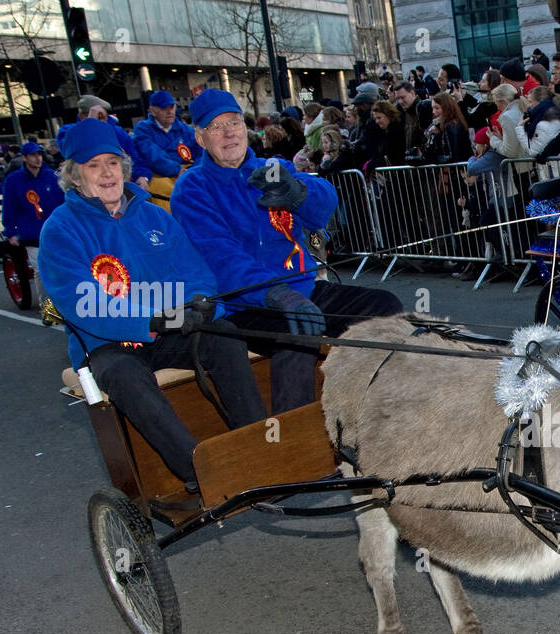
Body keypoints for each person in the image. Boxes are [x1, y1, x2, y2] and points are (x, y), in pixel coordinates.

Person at [38, 120, 267, 496]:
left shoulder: (155, 216)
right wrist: (152, 317)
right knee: (125, 375)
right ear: (75, 176)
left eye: (112, 162)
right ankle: (196, 467)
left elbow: (197, 274)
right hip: (106, 345)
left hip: (168, 326)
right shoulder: (60, 230)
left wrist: (197, 305)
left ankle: (255, 443)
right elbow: (84, 303)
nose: (106, 173)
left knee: (224, 336)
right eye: (93, 165)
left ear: (124, 168)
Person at [171, 89, 402, 413]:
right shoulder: (192, 188)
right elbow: (220, 258)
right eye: (216, 127)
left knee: (386, 307)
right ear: (199, 137)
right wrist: (276, 294)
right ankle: (291, 450)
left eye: (234, 123)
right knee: (297, 335)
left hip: (304, 288)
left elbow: (323, 208)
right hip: (245, 303)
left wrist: (296, 192)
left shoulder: (271, 166)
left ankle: (369, 412)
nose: (228, 133)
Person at [0, 141, 65, 288]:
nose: (37, 158)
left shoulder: (53, 176)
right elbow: (9, 207)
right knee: (41, 271)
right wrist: (10, 232)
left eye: (39, 154)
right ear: (24, 158)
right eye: (33, 155)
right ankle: (47, 308)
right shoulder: (13, 180)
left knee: (61, 268)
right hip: (31, 232)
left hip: (55, 231)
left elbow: (63, 203)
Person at [56, 95, 152, 188]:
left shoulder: (118, 132)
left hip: (122, 186)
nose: (101, 121)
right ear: (82, 116)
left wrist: (142, 176)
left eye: (103, 116)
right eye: (98, 116)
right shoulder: (68, 132)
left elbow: (135, 159)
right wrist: (91, 123)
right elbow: (68, 150)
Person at [132, 90, 203, 212]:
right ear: (152, 110)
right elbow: (153, 156)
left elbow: (202, 153)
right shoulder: (143, 129)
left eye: (172, 107)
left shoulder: (186, 130)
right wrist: (178, 170)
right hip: (160, 177)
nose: (170, 111)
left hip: (189, 173)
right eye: (164, 108)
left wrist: (191, 171)